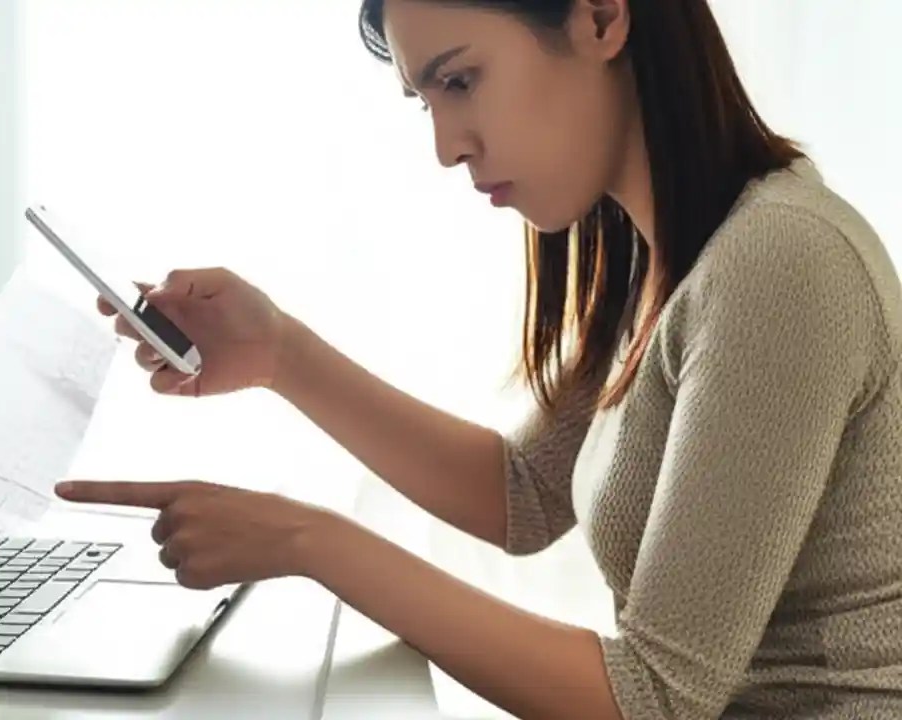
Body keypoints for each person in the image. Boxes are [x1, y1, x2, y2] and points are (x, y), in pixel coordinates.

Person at [53, 1, 902, 717]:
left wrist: (306, 539)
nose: (446, 145)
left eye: (460, 82)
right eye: (426, 101)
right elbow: (526, 492)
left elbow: (658, 698)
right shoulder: (670, 254)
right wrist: (280, 353)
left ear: (602, 17)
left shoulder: (780, 262)